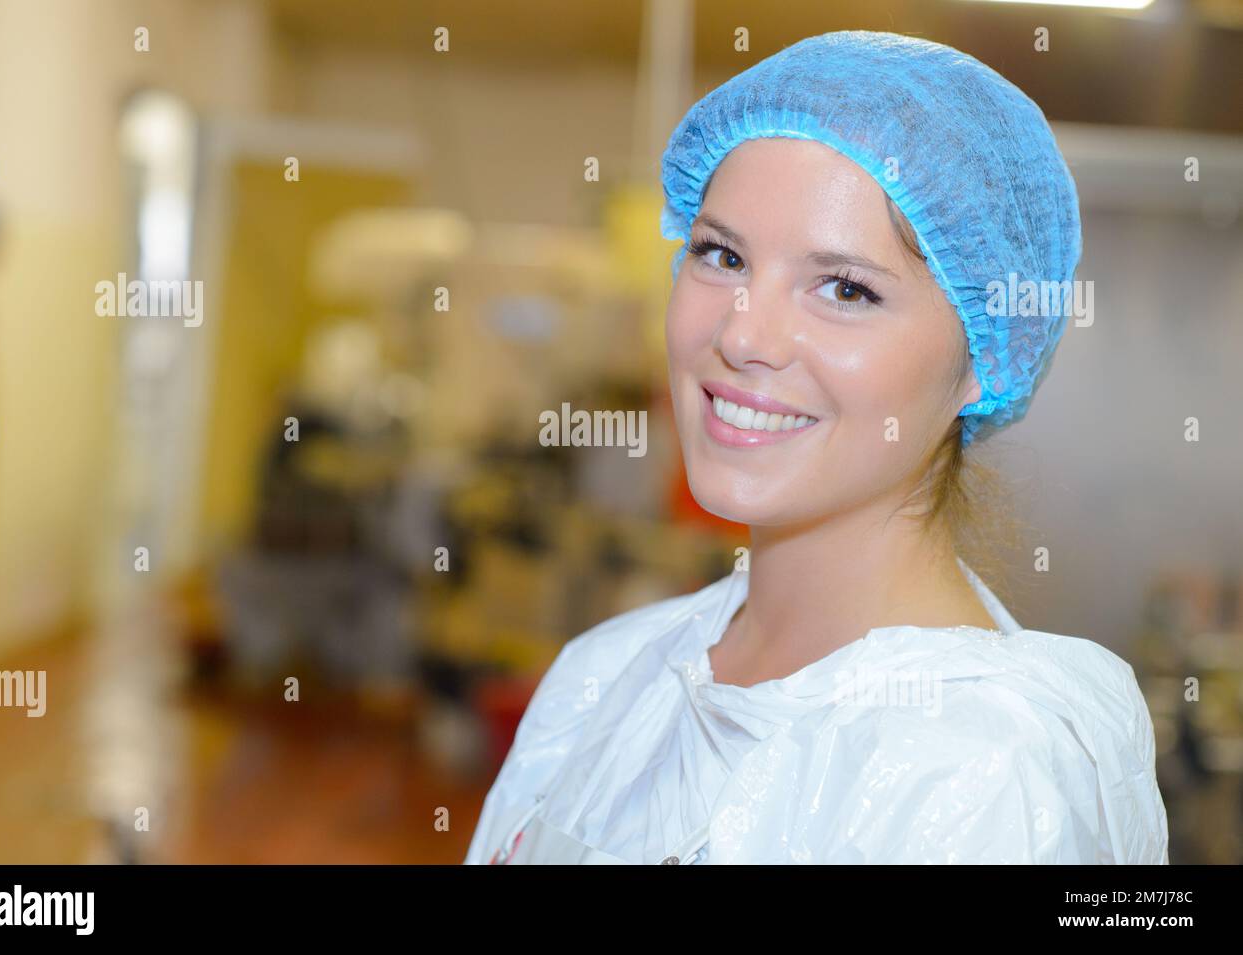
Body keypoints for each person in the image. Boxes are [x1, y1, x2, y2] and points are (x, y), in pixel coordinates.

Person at [464, 31, 1169, 864]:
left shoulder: (982, 783)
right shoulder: (606, 675)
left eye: (844, 288)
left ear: (986, 357)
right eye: (721, 255)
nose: (743, 333)